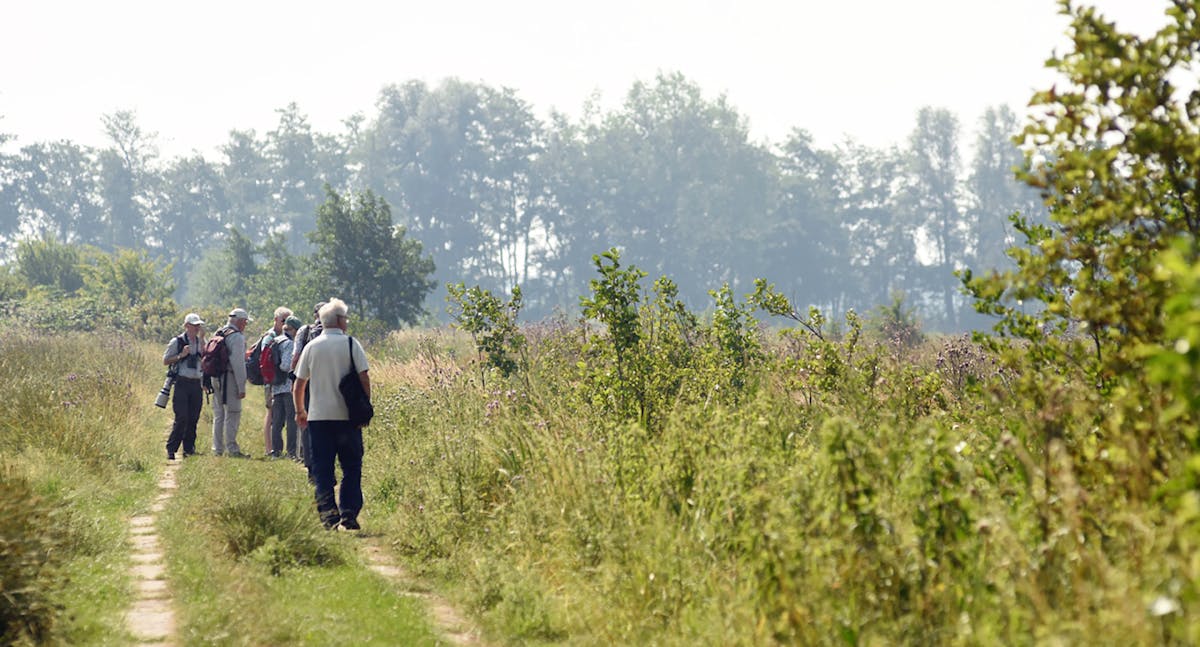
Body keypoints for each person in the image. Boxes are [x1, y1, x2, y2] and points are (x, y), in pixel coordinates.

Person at [293, 298, 369, 530]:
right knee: (351, 467)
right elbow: (364, 377)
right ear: (339, 321)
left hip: (318, 419)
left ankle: (328, 514)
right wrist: (365, 404)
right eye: (345, 317)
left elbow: (299, 384)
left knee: (323, 469)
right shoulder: (350, 344)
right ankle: (349, 512)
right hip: (347, 418)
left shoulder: (312, 347)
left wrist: (300, 411)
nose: (346, 321)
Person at [163, 313, 206, 460]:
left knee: (193, 418)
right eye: (194, 326)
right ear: (186, 326)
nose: (196, 328)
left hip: (196, 383)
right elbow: (166, 360)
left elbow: (205, 358)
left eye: (198, 326)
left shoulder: (201, 342)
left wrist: (202, 341)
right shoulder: (177, 342)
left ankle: (189, 449)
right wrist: (181, 355)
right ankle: (171, 448)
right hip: (182, 383)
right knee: (181, 417)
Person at [291, 301, 326, 473]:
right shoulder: (336, 332)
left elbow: (296, 356)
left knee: (306, 419)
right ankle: (325, 462)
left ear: (314, 315)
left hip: (306, 381)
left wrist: (295, 377)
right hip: (327, 383)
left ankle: (310, 463)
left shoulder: (304, 331)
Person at [211, 308, 251, 458]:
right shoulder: (237, 337)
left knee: (219, 413)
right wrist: (242, 386)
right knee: (233, 413)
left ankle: (217, 448)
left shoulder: (219, 332)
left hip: (216, 377)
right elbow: (238, 364)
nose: (245, 325)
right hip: (229, 378)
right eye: (245, 322)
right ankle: (232, 449)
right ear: (240, 321)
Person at [259, 306, 292, 457]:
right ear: (276, 320)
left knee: (275, 415)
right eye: (283, 320)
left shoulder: (283, 336)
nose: (285, 324)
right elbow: (264, 359)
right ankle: (269, 447)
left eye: (288, 321)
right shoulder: (270, 336)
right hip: (272, 381)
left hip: (277, 381)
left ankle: (272, 449)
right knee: (271, 414)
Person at [270, 315, 303, 460]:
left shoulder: (275, 340)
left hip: (276, 386)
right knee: (291, 420)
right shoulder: (289, 343)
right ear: (294, 329)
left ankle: (276, 450)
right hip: (288, 387)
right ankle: (291, 452)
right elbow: (285, 365)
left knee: (277, 420)